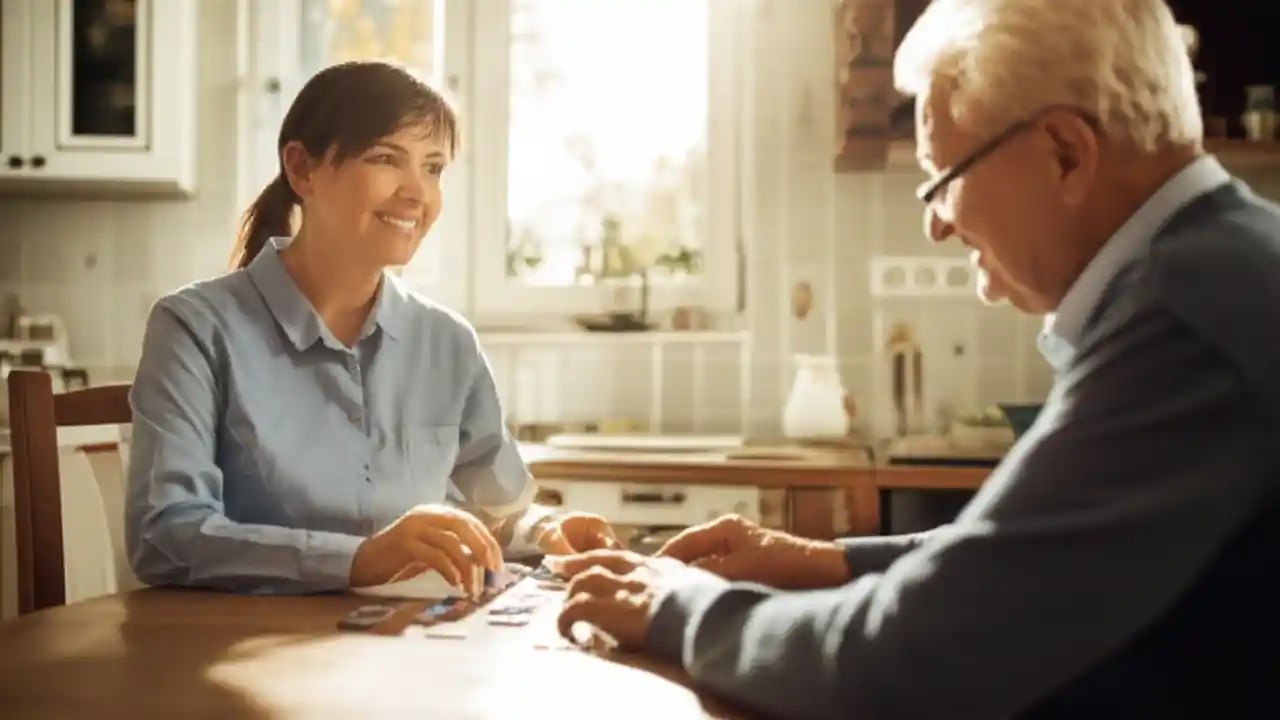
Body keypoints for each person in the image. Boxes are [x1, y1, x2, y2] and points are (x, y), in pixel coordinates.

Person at [551, 0, 1280, 716]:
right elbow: (1032, 566)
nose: (936, 225)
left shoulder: (1185, 316)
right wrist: (827, 562)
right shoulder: (1220, 265)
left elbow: (906, 661)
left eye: (943, 177)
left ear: (1065, 151)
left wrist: (680, 606)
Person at [126, 60, 619, 596]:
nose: (418, 193)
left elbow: (494, 513)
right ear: (302, 170)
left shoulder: (448, 344)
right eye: (386, 158)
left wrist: (545, 532)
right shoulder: (195, 329)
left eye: (433, 168)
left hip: (408, 648)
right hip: (239, 653)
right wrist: (358, 560)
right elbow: (166, 536)